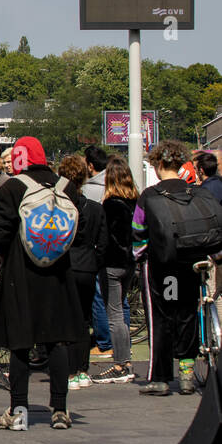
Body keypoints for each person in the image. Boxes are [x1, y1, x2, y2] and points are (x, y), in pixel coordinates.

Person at [0, 137, 84, 430]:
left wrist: (5, 255)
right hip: (59, 272)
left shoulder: (13, 187)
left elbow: (1, 232)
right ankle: (60, 409)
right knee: (56, 340)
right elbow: (79, 226)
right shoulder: (66, 186)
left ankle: (18, 409)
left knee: (20, 343)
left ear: (18, 158)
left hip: (21, 272)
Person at [134, 140, 222, 395]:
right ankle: (186, 373)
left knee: (160, 318)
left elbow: (138, 232)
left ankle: (160, 377)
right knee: (187, 315)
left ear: (158, 164)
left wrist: (139, 256)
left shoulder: (150, 196)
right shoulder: (196, 192)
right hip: (191, 262)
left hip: (162, 265)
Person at [55, 154, 107, 392]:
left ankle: (68, 370)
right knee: (84, 320)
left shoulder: (57, 207)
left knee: (64, 319)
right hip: (87, 267)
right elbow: (103, 244)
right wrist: (94, 263)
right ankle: (82, 370)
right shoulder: (95, 208)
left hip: (64, 265)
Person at [93, 158, 138, 383]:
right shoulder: (135, 202)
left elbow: (103, 237)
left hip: (111, 262)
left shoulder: (109, 205)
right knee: (122, 308)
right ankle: (125, 358)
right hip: (130, 262)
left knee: (114, 314)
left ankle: (121, 363)